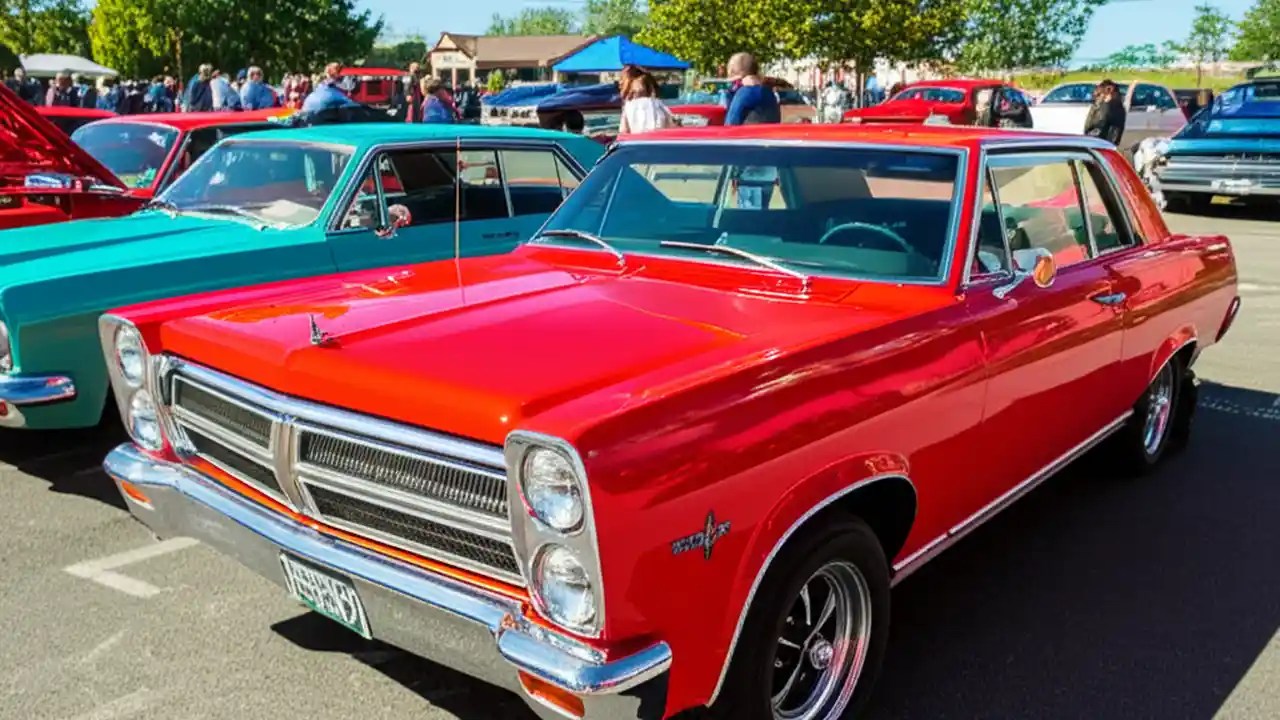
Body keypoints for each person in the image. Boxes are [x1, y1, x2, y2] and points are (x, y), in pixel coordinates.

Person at [724, 52, 780, 125]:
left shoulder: (745, 93)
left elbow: (730, 124)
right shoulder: (768, 92)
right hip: (768, 134)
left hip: (748, 135)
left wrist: (730, 94)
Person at [619, 67, 675, 134]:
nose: (634, 94)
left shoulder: (631, 106)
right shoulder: (656, 104)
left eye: (634, 92)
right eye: (632, 92)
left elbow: (624, 132)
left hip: (640, 141)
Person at [1084, 79, 1126, 146]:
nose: (1097, 97)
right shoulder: (1099, 105)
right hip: (1095, 142)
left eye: (1099, 95)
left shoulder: (1113, 108)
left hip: (1102, 144)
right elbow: (1089, 126)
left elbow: (1113, 133)